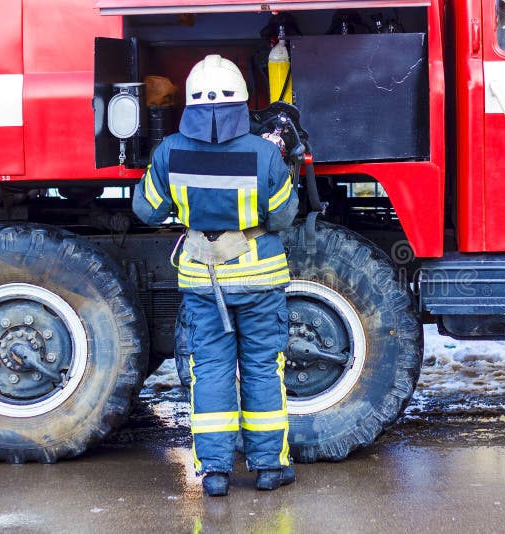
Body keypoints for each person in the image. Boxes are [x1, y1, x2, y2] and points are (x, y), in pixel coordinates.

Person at [132, 55, 299, 497]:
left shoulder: (169, 151)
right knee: (263, 369)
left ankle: (216, 473)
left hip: (204, 282)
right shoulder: (264, 153)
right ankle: (268, 468)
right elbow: (283, 216)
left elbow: (146, 209)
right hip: (260, 279)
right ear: (242, 102)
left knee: (210, 372)